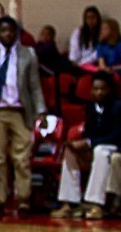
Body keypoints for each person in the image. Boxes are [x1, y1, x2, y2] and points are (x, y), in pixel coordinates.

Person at [0, 16, 47, 217]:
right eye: (3, 31)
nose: (8, 35)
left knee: (22, 158)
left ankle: (23, 200)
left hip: (20, 110)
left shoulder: (27, 54)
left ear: (16, 33)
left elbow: (34, 85)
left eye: (11, 31)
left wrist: (41, 111)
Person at [51, 73, 121, 219]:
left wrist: (89, 143)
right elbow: (88, 133)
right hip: (94, 148)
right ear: (91, 91)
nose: (99, 92)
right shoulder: (90, 108)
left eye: (102, 89)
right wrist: (82, 145)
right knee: (70, 151)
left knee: (101, 151)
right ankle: (70, 203)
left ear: (109, 90)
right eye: (95, 89)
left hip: (114, 147)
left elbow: (116, 136)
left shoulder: (117, 107)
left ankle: (95, 204)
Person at [68, 5, 102, 73]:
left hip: (93, 63)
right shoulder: (78, 32)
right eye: (88, 18)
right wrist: (74, 60)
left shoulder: (101, 32)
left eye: (93, 17)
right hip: (78, 63)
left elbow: (97, 53)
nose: (90, 20)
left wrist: (82, 63)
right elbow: (74, 48)